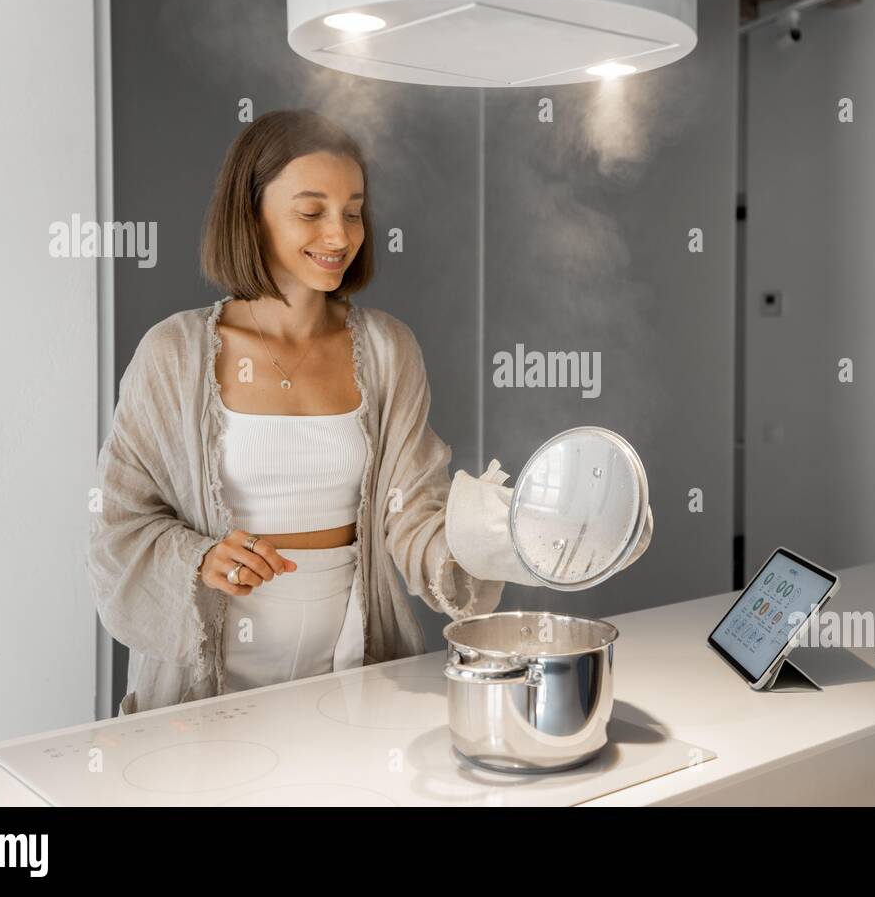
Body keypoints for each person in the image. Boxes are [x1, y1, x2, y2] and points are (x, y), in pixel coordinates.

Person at [86, 110, 652, 715]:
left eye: (353, 211)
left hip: (350, 665)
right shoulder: (174, 354)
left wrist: (519, 537)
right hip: (207, 678)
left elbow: (413, 520)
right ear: (250, 214)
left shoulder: (387, 350)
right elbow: (119, 523)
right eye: (311, 212)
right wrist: (200, 559)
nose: (339, 236)